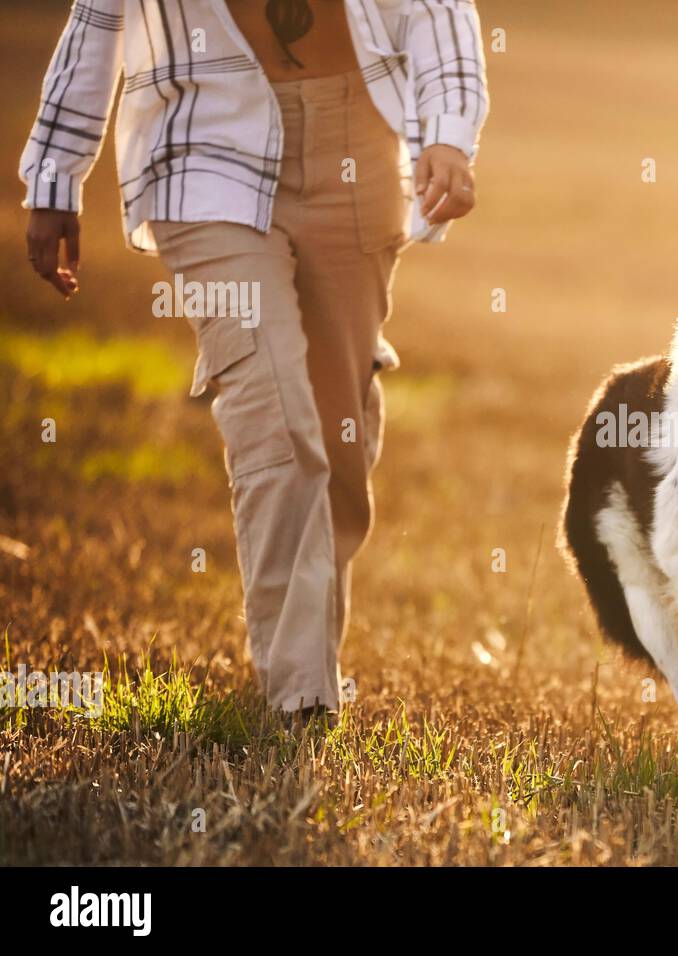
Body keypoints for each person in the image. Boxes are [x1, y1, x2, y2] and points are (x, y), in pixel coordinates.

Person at [20, 0, 488, 721]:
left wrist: (450, 133)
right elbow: (98, 18)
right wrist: (55, 174)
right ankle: (300, 693)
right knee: (273, 406)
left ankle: (308, 662)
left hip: (353, 140)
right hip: (203, 144)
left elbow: (433, 7)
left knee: (339, 431)